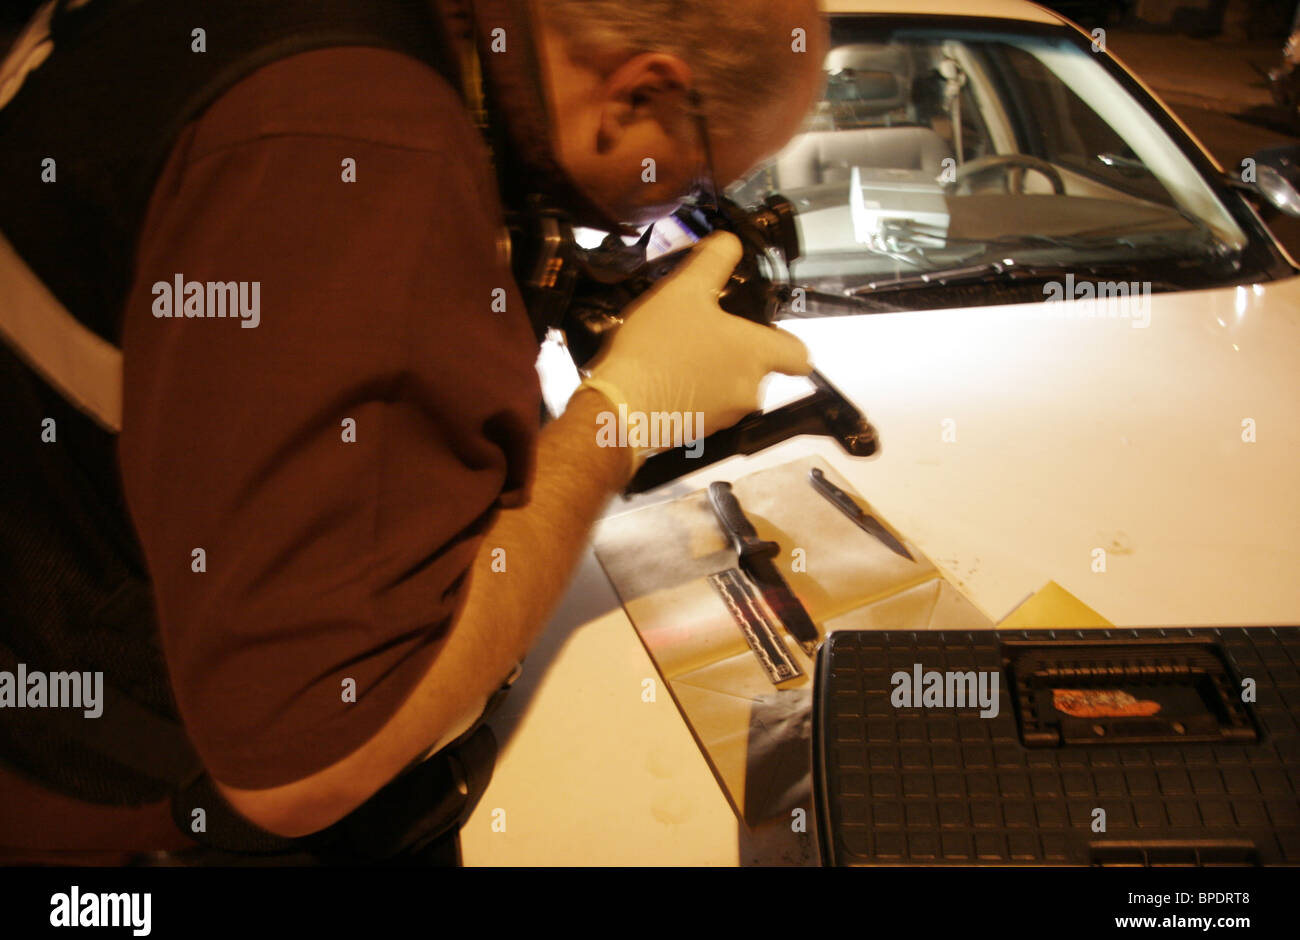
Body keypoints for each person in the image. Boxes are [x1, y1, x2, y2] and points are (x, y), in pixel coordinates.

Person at [0, 0, 826, 861]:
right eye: (693, 186)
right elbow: (305, 764)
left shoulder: (363, 50)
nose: (666, 217)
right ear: (637, 95)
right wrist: (617, 420)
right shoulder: (360, 148)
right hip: (106, 801)